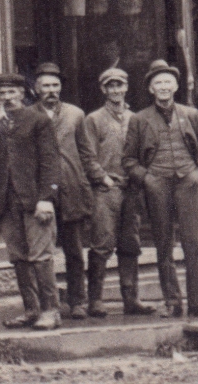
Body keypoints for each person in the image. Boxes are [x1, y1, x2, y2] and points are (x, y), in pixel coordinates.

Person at [123, 58, 198, 317]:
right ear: (151, 89)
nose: (163, 87)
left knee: (193, 243)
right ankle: (173, 301)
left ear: (175, 86)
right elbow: (128, 160)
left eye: (167, 82)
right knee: (164, 244)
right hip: (157, 184)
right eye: (158, 82)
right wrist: (147, 178)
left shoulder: (191, 114)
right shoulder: (139, 120)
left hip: (187, 182)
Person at [0, 71, 59, 331]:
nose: (7, 98)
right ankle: (31, 310)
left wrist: (46, 198)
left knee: (40, 256)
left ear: (23, 94)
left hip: (35, 202)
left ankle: (50, 311)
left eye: (11, 92)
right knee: (19, 258)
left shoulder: (39, 122)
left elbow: (50, 161)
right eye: (2, 93)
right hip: (7, 202)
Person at [82, 66, 154, 317]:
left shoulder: (136, 118)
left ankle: (131, 298)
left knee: (130, 243)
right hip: (106, 189)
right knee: (102, 243)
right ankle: (96, 300)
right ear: (103, 89)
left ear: (126, 87)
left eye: (119, 85)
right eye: (110, 85)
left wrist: (141, 178)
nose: (116, 90)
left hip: (131, 188)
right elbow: (88, 156)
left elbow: (146, 152)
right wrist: (103, 178)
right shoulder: (94, 119)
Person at [31, 62, 95, 319]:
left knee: (74, 249)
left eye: (55, 85)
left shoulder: (75, 114)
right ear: (36, 88)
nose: (51, 90)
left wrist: (92, 182)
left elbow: (86, 152)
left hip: (71, 188)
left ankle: (78, 300)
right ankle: (45, 304)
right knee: (41, 250)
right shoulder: (28, 116)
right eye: (45, 86)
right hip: (42, 192)